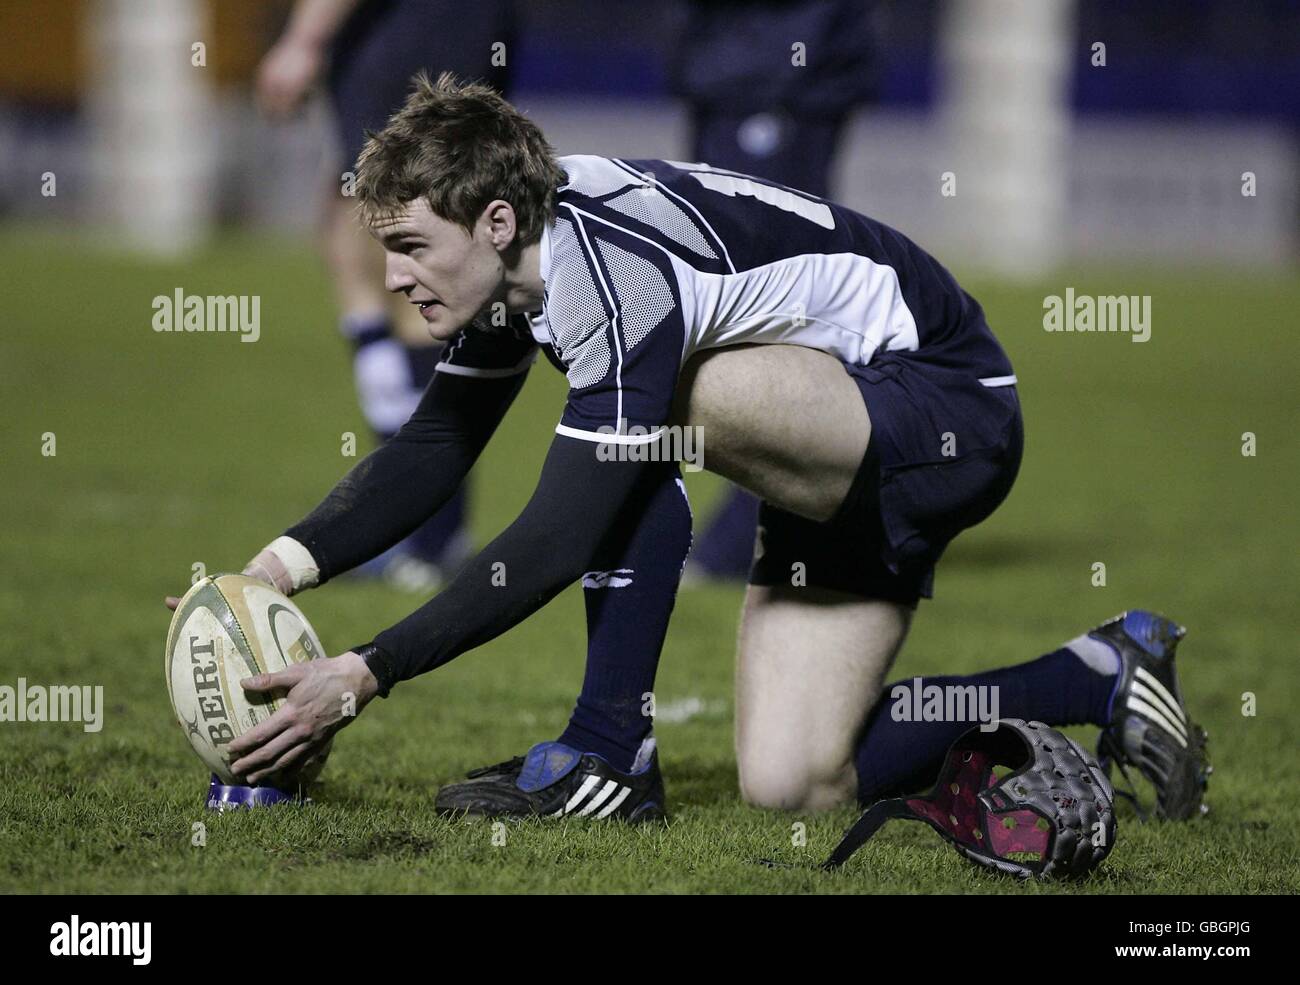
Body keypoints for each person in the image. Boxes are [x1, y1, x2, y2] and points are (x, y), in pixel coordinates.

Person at [167, 74, 1209, 824]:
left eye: (407, 247)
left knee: (663, 400)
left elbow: (556, 535)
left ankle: (608, 753)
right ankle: (1097, 672)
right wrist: (269, 572)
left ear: (491, 220)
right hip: (836, 428)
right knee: (793, 778)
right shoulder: (515, 258)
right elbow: (437, 442)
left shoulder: (609, 278)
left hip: (944, 410)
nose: (391, 276)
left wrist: (363, 672)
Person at [255, 0, 514, 588]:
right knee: (359, 238)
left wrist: (304, 39)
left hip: (408, 31)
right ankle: (426, 528)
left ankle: (422, 532)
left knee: (397, 247)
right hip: (454, 29)